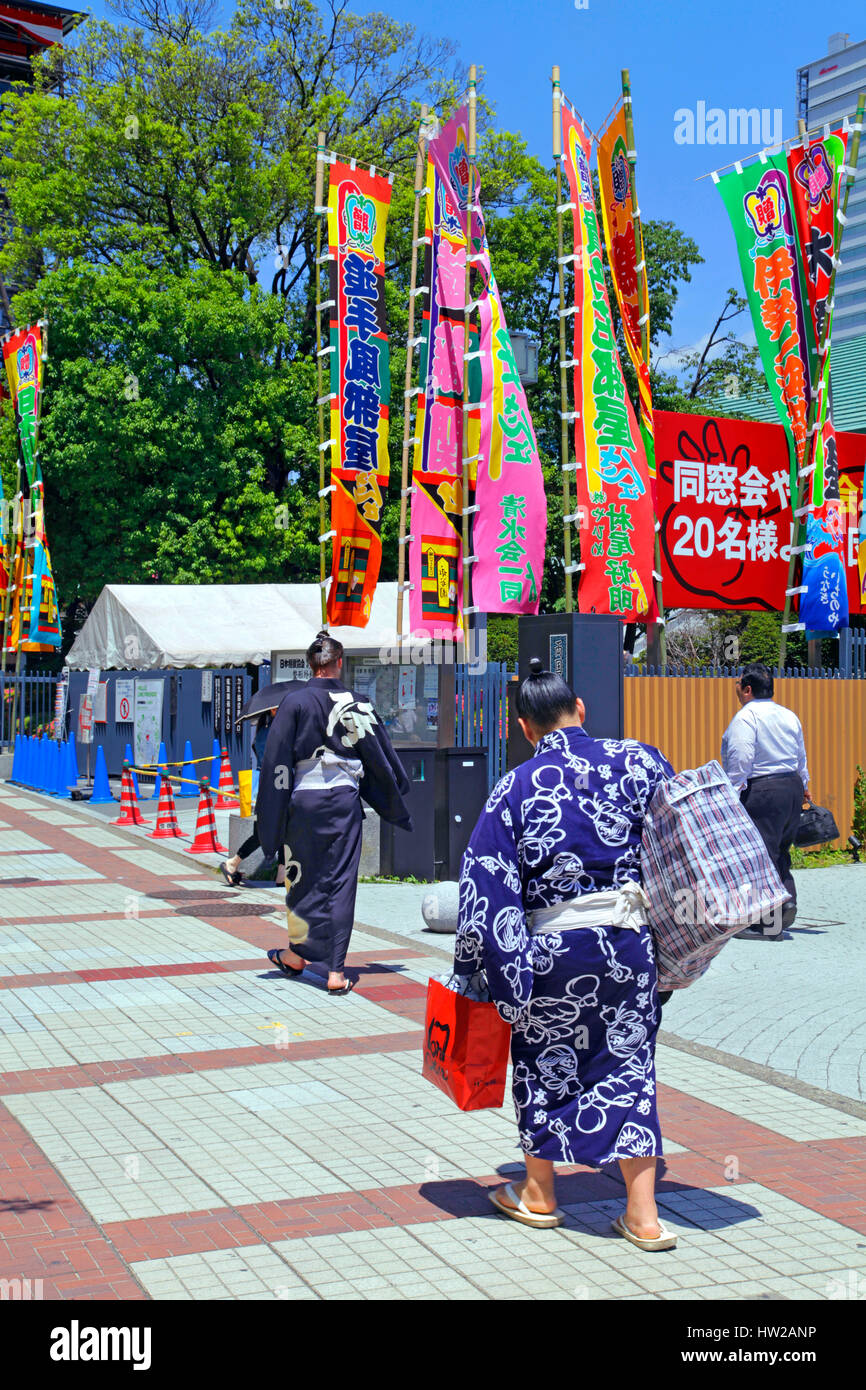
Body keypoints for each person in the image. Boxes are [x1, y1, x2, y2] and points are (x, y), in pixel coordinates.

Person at [453, 660, 677, 1251]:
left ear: (525, 728)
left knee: (542, 1065)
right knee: (630, 1068)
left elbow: (487, 885)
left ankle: (539, 1194)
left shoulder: (516, 787)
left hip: (554, 951)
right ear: (581, 710)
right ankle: (645, 1217)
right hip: (629, 945)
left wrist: (495, 976)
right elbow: (679, 849)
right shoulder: (641, 762)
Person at [257, 632, 412, 995]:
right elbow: (379, 752)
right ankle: (336, 972)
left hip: (304, 800)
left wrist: (271, 814)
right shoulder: (357, 703)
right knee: (341, 881)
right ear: (339, 662)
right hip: (343, 799)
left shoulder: (294, 702)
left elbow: (275, 759)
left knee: (300, 878)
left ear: (311, 664)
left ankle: (297, 954)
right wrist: (392, 788)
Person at [721, 663, 809, 939]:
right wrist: (805, 786)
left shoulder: (746, 718)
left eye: (738, 684)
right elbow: (800, 755)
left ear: (747, 690)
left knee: (759, 854)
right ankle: (786, 904)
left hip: (764, 791)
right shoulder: (788, 715)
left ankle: (767, 925)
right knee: (780, 851)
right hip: (791, 786)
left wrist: (731, 793)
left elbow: (741, 759)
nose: (736, 689)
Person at [220, 712, 285, 888]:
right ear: (273, 711)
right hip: (275, 785)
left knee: (281, 829)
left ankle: (281, 874)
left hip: (267, 785)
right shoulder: (276, 730)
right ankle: (232, 863)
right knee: (265, 832)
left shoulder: (261, 730)